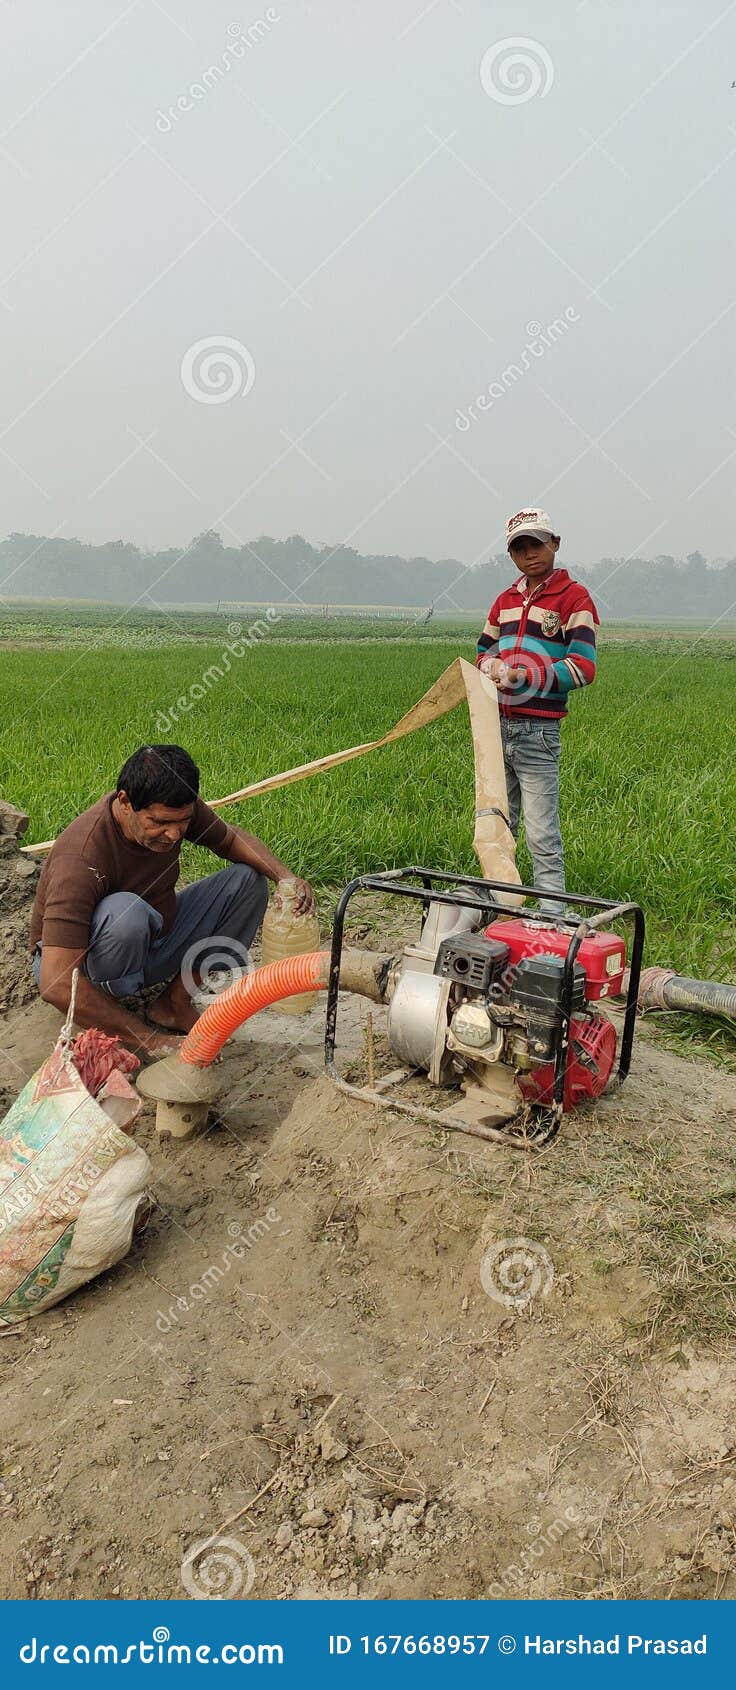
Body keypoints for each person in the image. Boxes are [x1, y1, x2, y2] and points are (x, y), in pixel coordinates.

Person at [29, 744, 315, 1056]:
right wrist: (152, 1041)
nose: (174, 834)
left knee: (246, 883)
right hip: (84, 969)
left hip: (151, 941)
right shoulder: (81, 858)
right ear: (125, 802)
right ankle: (117, 1013)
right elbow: (54, 981)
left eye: (182, 822)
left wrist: (286, 878)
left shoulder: (175, 806)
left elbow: (230, 839)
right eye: (160, 823)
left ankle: (172, 1004)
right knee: (126, 912)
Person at [476, 508, 598, 918]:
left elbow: (582, 668)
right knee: (497, 829)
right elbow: (483, 648)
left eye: (536, 544)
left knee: (542, 834)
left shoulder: (573, 598)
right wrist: (490, 666)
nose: (529, 554)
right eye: (519, 547)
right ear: (511, 555)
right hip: (498, 730)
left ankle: (552, 919)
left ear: (555, 544)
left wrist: (522, 675)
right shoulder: (505, 600)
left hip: (537, 731)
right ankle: (499, 909)